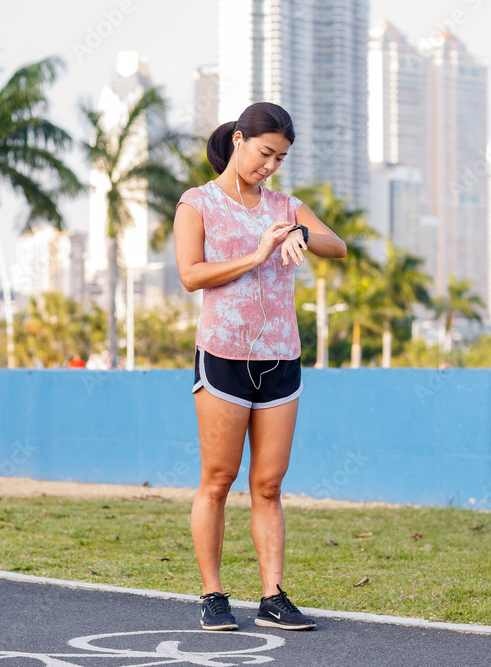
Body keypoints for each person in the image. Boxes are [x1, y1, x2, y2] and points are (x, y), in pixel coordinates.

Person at [173, 102, 347, 632]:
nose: (271, 165)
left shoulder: (285, 205)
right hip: (224, 355)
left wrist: (299, 233)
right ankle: (213, 594)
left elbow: (337, 246)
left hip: (280, 358)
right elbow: (191, 275)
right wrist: (258, 252)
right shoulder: (196, 202)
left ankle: (272, 596)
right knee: (218, 479)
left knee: (269, 484)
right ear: (239, 140)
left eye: (280, 158)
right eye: (265, 152)